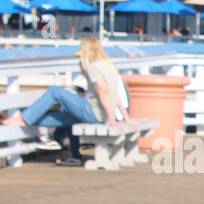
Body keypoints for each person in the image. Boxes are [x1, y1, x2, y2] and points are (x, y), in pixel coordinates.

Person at [2, 34, 128, 166]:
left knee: (55, 91)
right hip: (102, 114)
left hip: (95, 113)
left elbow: (103, 94)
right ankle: (74, 155)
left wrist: (112, 120)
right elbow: (115, 95)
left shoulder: (93, 67)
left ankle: (24, 118)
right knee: (63, 117)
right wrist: (125, 118)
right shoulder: (108, 65)